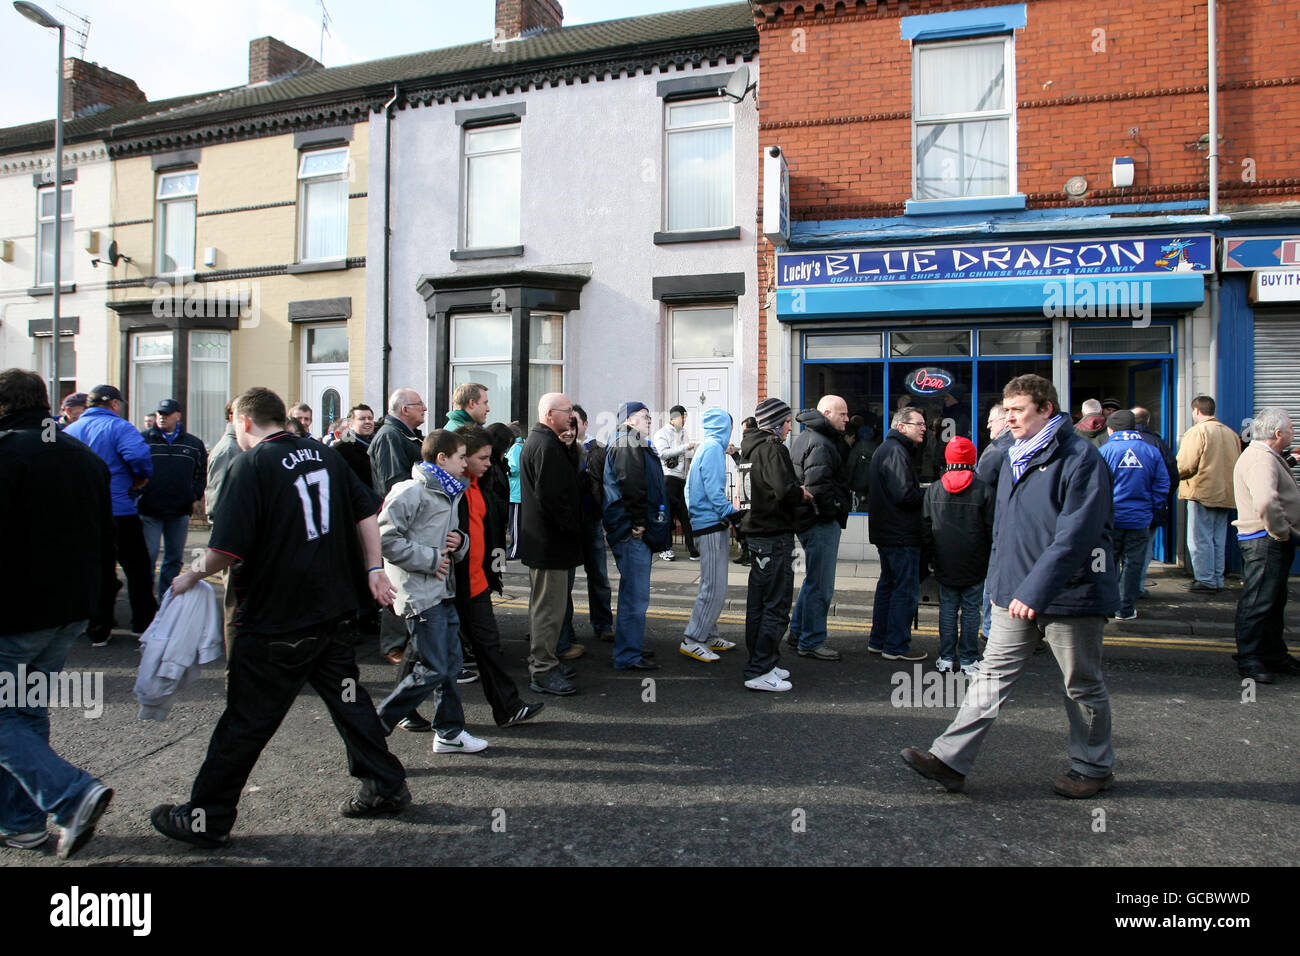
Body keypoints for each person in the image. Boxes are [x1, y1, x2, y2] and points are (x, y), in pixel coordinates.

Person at [151, 387, 409, 847]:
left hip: (277, 618)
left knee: (246, 719)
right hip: (332, 609)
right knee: (349, 701)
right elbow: (368, 508)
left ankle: (207, 817)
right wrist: (372, 568)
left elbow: (225, 550)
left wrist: (188, 575)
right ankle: (386, 784)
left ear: (244, 421)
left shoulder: (251, 465)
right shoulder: (322, 453)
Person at [902, 374, 1119, 799]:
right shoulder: (1014, 453)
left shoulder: (1080, 460)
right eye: (1007, 409)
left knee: (1081, 684)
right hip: (1014, 590)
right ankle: (950, 760)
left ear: (1047, 410)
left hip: (1072, 593)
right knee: (989, 676)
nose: (1009, 418)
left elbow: (1076, 536)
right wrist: (1001, 585)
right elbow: (1006, 527)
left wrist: (1033, 591)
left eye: (1018, 410)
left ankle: (1093, 767)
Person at [0, 369, 116, 858]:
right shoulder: (80, 454)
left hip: (18, 610)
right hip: (69, 608)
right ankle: (22, 823)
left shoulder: (7, 452)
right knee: (24, 712)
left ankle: (70, 796)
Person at [373, 429, 487, 753]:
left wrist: (460, 542)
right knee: (434, 667)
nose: (466, 463)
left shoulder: (449, 491)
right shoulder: (409, 491)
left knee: (449, 665)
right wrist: (432, 558)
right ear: (442, 458)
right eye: (461, 457)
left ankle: (449, 733)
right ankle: (374, 726)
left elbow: (450, 540)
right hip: (419, 595)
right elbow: (385, 540)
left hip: (441, 590)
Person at [453, 426, 545, 726]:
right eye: (483, 458)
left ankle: (508, 708)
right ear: (463, 459)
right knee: (426, 658)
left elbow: (487, 530)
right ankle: (394, 714)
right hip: (453, 585)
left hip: (476, 581)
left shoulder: (479, 484)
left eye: (491, 457)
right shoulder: (454, 490)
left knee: (488, 647)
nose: (490, 463)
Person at [65, 384, 158, 645]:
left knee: (98, 569)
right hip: (120, 509)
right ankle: (142, 623)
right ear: (114, 405)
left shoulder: (70, 431)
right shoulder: (120, 427)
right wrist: (139, 481)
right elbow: (139, 458)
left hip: (84, 513)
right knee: (137, 568)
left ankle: (98, 629)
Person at [740, 398, 810, 692]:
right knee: (776, 604)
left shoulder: (750, 448)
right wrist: (802, 493)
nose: (789, 426)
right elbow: (784, 490)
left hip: (756, 535)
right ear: (775, 423)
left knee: (759, 602)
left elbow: (747, 494)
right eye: (786, 421)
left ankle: (761, 661)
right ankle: (760, 668)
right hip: (774, 535)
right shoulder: (773, 448)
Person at [1230, 407, 1300, 684]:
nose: (1295, 433)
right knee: (1259, 601)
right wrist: (1282, 531)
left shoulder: (1267, 455)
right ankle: (1249, 659)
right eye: (1292, 429)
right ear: (1278, 433)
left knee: (1273, 600)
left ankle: (1273, 655)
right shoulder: (1261, 459)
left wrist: (1290, 461)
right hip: (1265, 539)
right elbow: (1266, 502)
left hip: (1267, 538)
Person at [519, 393, 583, 695]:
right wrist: (573, 528)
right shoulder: (544, 445)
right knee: (548, 610)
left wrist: (570, 445)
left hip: (550, 544)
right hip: (549, 545)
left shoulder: (549, 442)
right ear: (550, 414)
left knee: (550, 607)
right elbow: (553, 499)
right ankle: (542, 670)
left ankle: (547, 661)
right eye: (567, 411)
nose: (571, 416)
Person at [602, 402, 669, 671]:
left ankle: (630, 648)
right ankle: (628, 655)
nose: (650, 420)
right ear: (629, 420)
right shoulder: (628, 443)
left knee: (635, 594)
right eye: (644, 417)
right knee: (634, 595)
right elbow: (631, 484)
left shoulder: (634, 442)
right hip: (633, 534)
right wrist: (639, 523)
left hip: (633, 530)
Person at [787, 395, 852, 661]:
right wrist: (832, 512)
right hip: (819, 522)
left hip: (809, 520)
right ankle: (812, 641)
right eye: (843, 414)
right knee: (822, 585)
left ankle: (798, 632)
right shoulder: (821, 443)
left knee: (813, 579)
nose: (847, 419)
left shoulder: (808, 437)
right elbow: (817, 488)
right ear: (826, 413)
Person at [922, 436, 994, 675]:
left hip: (944, 560)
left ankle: (945, 657)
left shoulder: (934, 489)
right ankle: (969, 659)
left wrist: (929, 559)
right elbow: (992, 529)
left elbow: (926, 528)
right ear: (972, 458)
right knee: (972, 609)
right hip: (975, 561)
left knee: (948, 608)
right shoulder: (984, 489)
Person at [369, 388, 427, 664]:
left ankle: (407, 639)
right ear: (404, 409)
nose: (425, 408)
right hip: (398, 521)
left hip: (411, 519)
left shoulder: (406, 435)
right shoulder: (390, 437)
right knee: (395, 580)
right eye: (419, 405)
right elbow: (394, 483)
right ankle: (393, 644)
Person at [866, 407, 928, 662]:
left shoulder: (889, 449)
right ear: (901, 426)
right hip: (900, 533)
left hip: (888, 531)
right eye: (919, 423)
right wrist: (930, 493)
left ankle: (879, 641)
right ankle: (896, 645)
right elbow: (904, 494)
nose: (924, 427)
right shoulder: (895, 451)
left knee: (888, 586)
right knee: (904, 589)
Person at [681, 406, 741, 662]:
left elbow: (687, 489)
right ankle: (693, 639)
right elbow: (715, 492)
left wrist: (696, 515)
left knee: (713, 582)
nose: (731, 431)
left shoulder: (704, 448)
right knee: (714, 585)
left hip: (702, 522)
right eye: (730, 426)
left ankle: (709, 633)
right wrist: (732, 514)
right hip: (712, 525)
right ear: (723, 427)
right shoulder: (715, 449)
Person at [1099, 409, 1169, 621]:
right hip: (1140, 519)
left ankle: (1107, 605)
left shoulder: (1105, 451)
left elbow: (1096, 485)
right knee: (1133, 565)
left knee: (1108, 563)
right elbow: (1163, 483)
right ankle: (1125, 608)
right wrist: (1151, 506)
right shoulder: (1151, 451)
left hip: (1112, 519)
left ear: (1111, 429)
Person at [139, 398, 208, 601]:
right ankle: (145, 603)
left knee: (173, 559)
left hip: (179, 510)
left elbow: (201, 471)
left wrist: (195, 495)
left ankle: (166, 600)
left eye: (167, 414)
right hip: (150, 509)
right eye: (160, 414)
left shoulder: (193, 444)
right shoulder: (143, 440)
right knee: (148, 557)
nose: (162, 417)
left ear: (178, 416)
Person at [1176, 395, 1241, 593]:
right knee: (1217, 539)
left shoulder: (1197, 432)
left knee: (1199, 539)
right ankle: (1217, 578)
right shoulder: (1230, 434)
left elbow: (1185, 465)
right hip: (1226, 494)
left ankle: (1205, 580)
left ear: (1196, 411)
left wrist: (1173, 475)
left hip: (1202, 492)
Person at [573, 405, 613, 642]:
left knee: (598, 574)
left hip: (593, 519)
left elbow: (608, 485)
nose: (571, 426)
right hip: (570, 522)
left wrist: (607, 518)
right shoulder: (561, 447)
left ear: (585, 424)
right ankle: (559, 627)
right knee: (564, 578)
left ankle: (603, 623)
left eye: (575, 422)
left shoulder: (599, 449)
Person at [206, 401, 243, 652]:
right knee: (234, 601)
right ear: (232, 416)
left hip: (244, 537)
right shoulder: (227, 449)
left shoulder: (239, 446)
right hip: (234, 539)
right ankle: (235, 662)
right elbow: (216, 502)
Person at [1131, 406, 1178, 596]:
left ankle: (1121, 590)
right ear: (1148, 421)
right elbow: (1171, 477)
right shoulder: (1157, 443)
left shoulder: (1112, 445)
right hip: (1148, 509)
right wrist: (1159, 501)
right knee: (1144, 550)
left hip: (1119, 510)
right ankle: (1137, 588)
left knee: (1120, 551)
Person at [976, 402, 1015, 637]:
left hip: (998, 524)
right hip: (1012, 523)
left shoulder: (998, 449)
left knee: (995, 576)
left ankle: (991, 629)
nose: (988, 425)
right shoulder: (1021, 445)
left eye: (992, 419)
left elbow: (981, 487)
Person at [654, 405, 697, 561]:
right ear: (673, 418)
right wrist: (686, 447)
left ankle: (693, 550)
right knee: (667, 515)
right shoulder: (662, 433)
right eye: (682, 417)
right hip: (668, 478)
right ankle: (665, 549)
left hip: (682, 479)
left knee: (685, 516)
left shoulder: (684, 433)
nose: (685, 420)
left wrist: (694, 452)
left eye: (686, 417)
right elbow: (662, 453)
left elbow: (687, 455)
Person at [335, 403, 376, 490]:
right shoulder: (341, 449)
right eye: (362, 419)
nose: (367, 421)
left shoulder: (378, 444)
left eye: (370, 418)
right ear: (350, 424)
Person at [505, 423, 525, 559]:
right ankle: (514, 547)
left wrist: (504, 470)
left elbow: (514, 467)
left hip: (516, 494)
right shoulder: (520, 446)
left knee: (515, 525)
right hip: (516, 492)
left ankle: (514, 550)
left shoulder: (516, 448)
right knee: (514, 524)